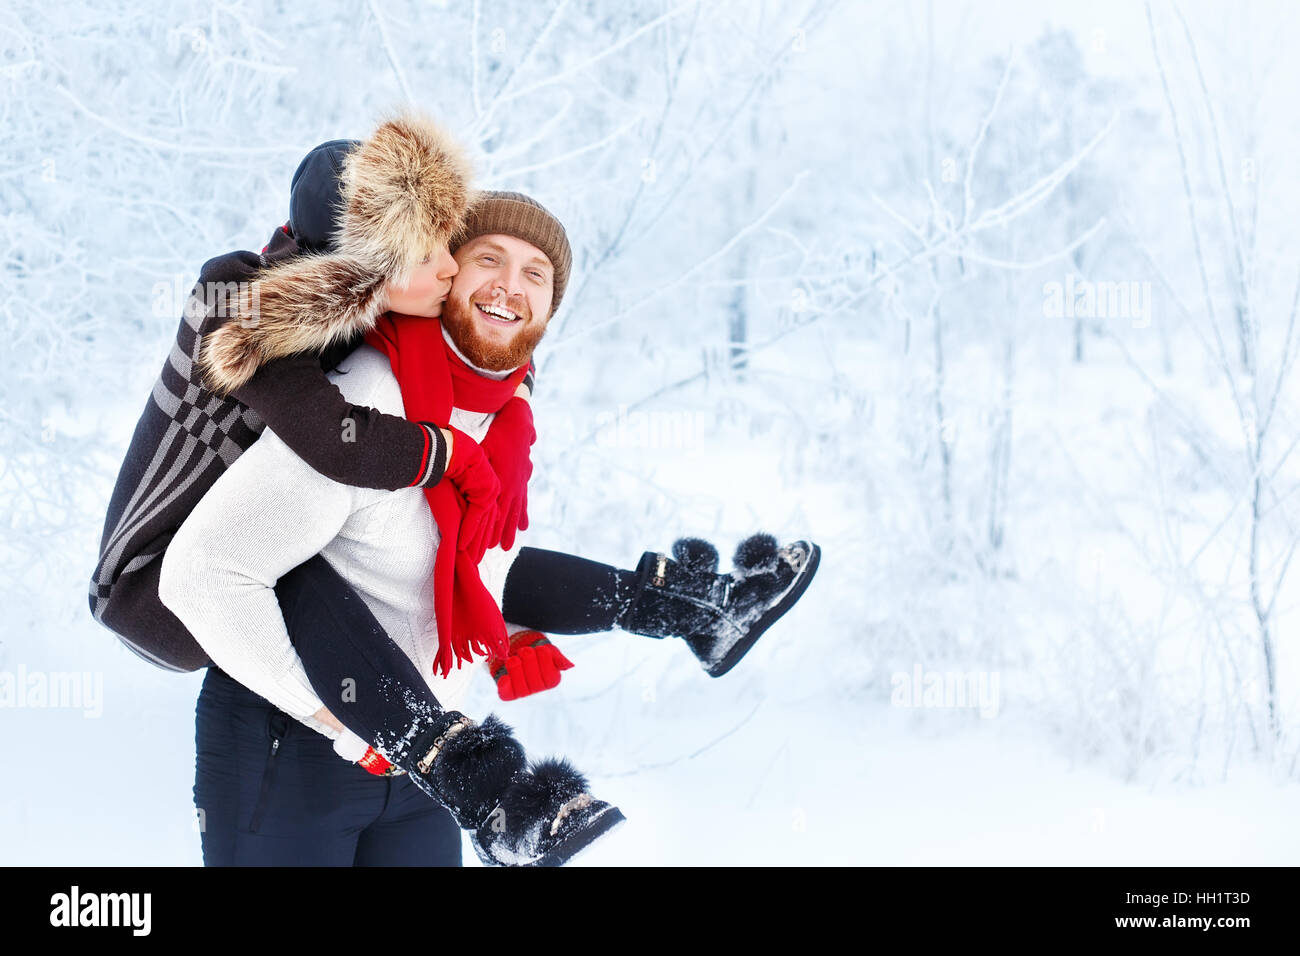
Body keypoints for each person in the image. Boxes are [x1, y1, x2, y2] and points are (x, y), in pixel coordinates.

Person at [93, 111, 820, 865]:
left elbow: (443, 557)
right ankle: (483, 778)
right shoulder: (349, 385)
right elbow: (213, 566)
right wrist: (334, 719)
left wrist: (505, 631)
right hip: (282, 731)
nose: (507, 285)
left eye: (537, 274)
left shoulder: (498, 411)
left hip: (422, 745)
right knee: (300, 569)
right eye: (485, 258)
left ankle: (699, 610)